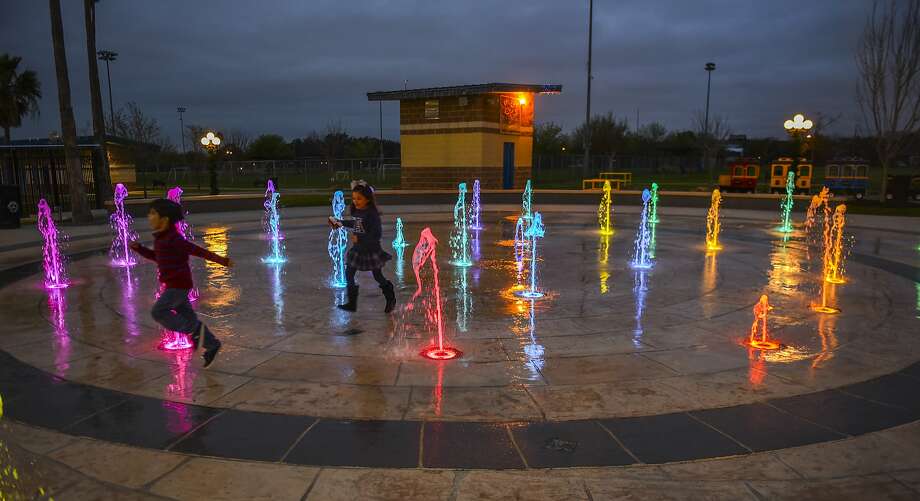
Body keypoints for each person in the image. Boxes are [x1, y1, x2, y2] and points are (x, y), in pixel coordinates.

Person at [130, 199, 232, 367]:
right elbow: (158, 258)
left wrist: (222, 261)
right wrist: (140, 249)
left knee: (159, 311)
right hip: (174, 286)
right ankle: (211, 345)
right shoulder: (162, 239)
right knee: (188, 318)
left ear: (165, 219)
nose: (149, 216)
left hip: (178, 286)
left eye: (153, 213)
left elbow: (197, 250)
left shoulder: (173, 239)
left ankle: (195, 332)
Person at [329, 181, 396, 313]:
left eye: (359, 198)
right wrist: (340, 222)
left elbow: (376, 234)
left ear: (368, 198)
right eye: (354, 198)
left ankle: (390, 298)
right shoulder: (359, 211)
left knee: (378, 276)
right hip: (358, 249)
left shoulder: (372, 215)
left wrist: (360, 238)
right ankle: (352, 303)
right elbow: (357, 224)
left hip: (371, 250)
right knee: (349, 274)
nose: (356, 201)